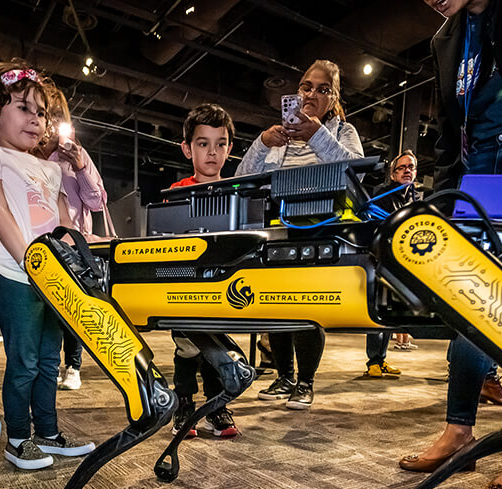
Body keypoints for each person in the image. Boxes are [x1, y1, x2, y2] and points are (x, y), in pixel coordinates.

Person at [400, 0, 502, 489]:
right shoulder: (446, 39)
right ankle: (459, 429)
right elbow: (450, 136)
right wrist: (444, 199)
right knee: (471, 303)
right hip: (479, 179)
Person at [0, 60, 95, 470]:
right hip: (13, 274)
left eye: (41, 112)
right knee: (23, 362)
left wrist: (74, 259)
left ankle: (49, 434)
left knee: (50, 359)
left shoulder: (50, 168)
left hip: (52, 276)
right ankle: (19, 439)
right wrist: (31, 260)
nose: (36, 119)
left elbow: (64, 223)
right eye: (23, 107)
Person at [236, 59, 364, 410]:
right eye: (306, 86)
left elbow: (356, 174)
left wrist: (317, 135)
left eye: (323, 89)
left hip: (321, 228)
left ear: (334, 97)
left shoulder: (342, 132)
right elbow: (242, 178)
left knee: (307, 306)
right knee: (276, 306)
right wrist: (262, 143)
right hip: (279, 228)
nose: (311, 94)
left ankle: (305, 382)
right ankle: (284, 377)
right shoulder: (279, 138)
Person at [168, 103, 239, 438]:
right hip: (184, 284)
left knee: (217, 344)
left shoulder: (239, 192)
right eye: (203, 143)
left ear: (229, 148)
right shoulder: (176, 194)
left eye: (220, 143)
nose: (212, 152)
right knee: (187, 347)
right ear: (187, 148)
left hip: (223, 285)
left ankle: (216, 406)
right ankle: (183, 404)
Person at [35, 85, 108, 392]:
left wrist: (79, 166)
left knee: (70, 306)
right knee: (45, 309)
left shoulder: (76, 155)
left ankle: (74, 365)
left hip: (72, 242)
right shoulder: (25, 154)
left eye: (55, 116)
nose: (49, 123)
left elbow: (97, 201)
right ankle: (47, 366)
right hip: (37, 241)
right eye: (44, 114)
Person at [362, 150, 421, 377]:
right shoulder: (383, 196)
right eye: (402, 167)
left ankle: (381, 359)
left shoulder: (415, 199)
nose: (407, 170)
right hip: (381, 261)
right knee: (378, 311)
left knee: (390, 313)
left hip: (402, 263)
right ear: (393, 174)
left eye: (411, 167)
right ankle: (373, 362)